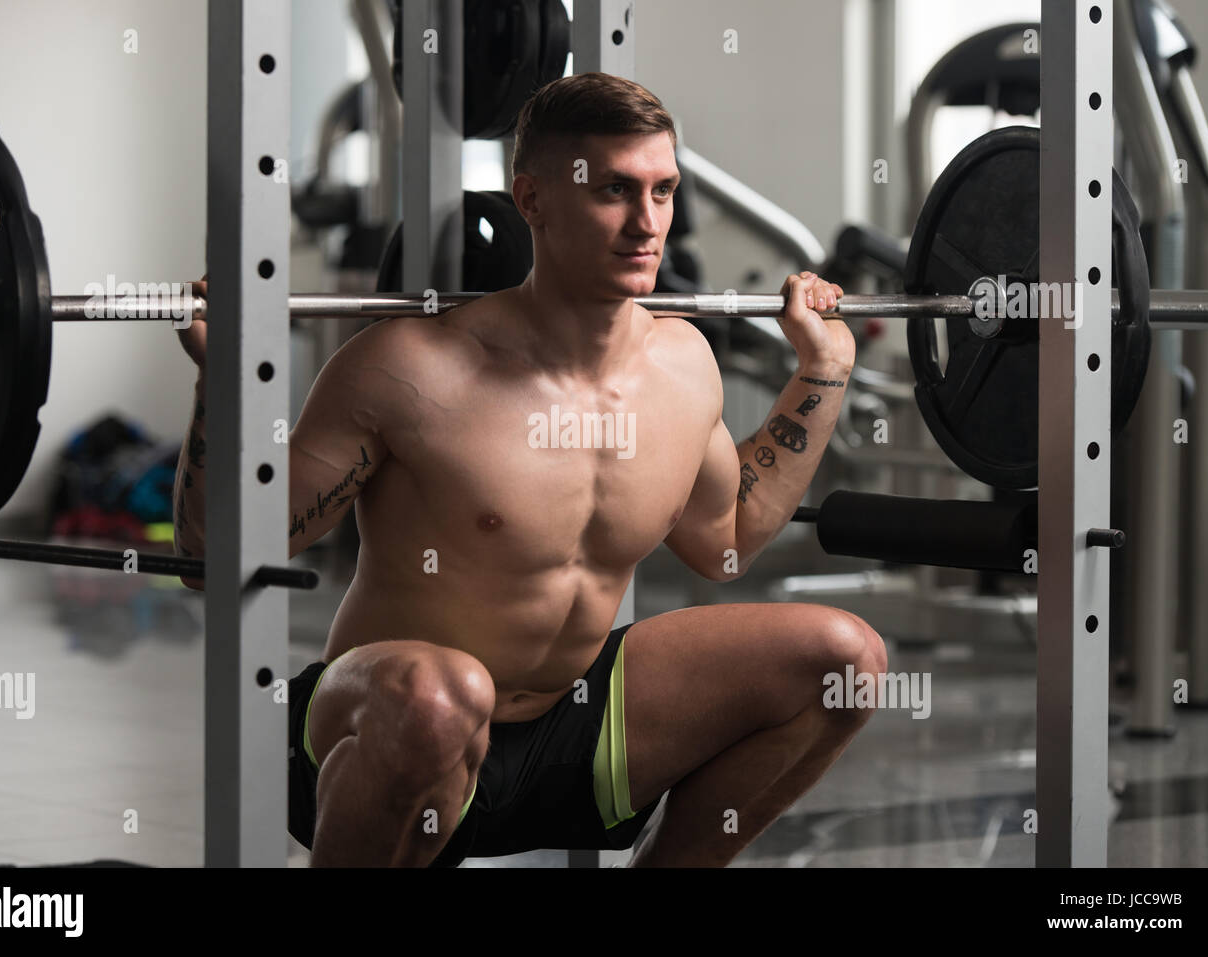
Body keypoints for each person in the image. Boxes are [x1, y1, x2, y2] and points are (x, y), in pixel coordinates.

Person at [172, 72, 887, 867]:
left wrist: (822, 373)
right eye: (615, 190)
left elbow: (726, 541)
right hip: (392, 728)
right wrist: (218, 383)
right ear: (533, 199)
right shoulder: (411, 369)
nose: (646, 223)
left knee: (844, 661)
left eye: (664, 190)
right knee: (445, 700)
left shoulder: (684, 364)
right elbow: (210, 558)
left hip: (569, 726)